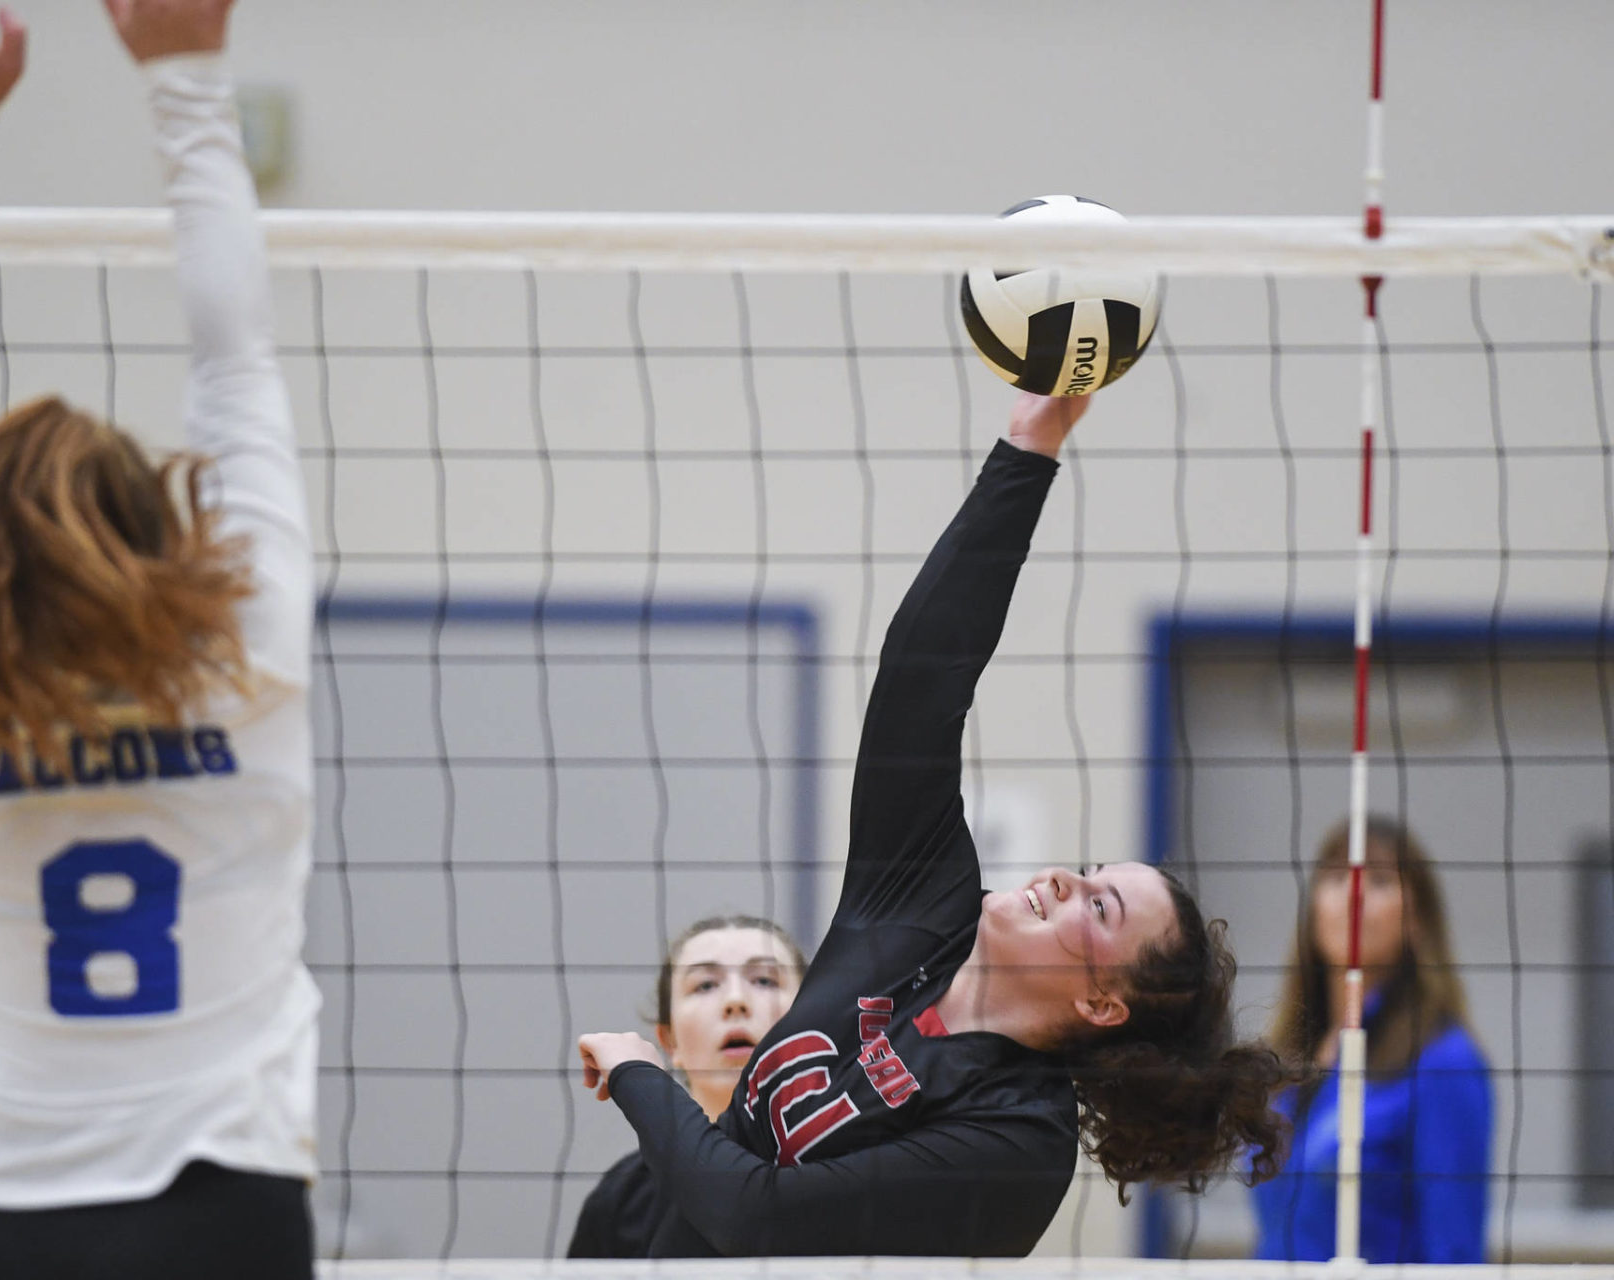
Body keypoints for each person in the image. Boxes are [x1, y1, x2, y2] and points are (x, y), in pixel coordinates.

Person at [578, 391, 1293, 1258]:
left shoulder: (1018, 1142)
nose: (1069, 879)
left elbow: (752, 1213)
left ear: (1102, 1002)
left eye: (1099, 908)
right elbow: (921, 677)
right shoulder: (924, 904)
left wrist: (643, 1075)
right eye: (1093, 870)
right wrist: (1028, 447)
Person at [0, 2, 317, 1276]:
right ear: (160, 521)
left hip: (0, 1208)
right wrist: (186, 73)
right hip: (221, 1198)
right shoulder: (250, 654)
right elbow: (238, 361)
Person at [1252, 816, 1493, 1263]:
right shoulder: (1288, 1063)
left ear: (1417, 920)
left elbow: (1455, 1252)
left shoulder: (1443, 1059)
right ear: (1313, 910)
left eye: (1380, 880)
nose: (1355, 893)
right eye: (1338, 876)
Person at [568, 915, 807, 1257]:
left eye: (765, 980)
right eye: (706, 985)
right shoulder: (622, 1198)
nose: (736, 1001)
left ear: (810, 1018)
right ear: (669, 1041)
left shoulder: (851, 1164)